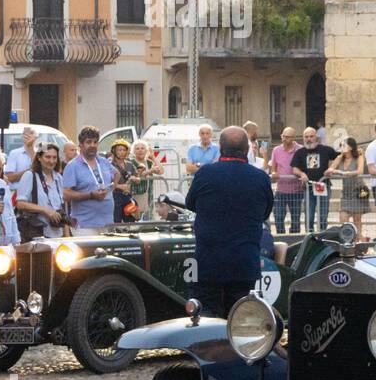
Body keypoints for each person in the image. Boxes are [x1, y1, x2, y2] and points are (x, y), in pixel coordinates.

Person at [185, 126, 274, 318]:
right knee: (239, 319)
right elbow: (265, 212)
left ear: (221, 148)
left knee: (205, 317)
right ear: (246, 150)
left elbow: (190, 203)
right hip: (244, 261)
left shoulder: (205, 174)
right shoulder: (260, 178)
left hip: (208, 260)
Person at [61, 127, 115, 236]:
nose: (93, 145)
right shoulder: (73, 166)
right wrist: (91, 195)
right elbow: (66, 194)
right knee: (89, 253)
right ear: (80, 145)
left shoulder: (103, 162)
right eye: (88, 142)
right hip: (84, 225)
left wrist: (111, 187)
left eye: (95, 142)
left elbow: (116, 174)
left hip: (107, 223)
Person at [291, 127, 340, 232]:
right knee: (309, 215)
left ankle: (322, 236)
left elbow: (340, 157)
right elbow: (294, 169)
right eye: (306, 137)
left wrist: (332, 168)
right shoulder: (300, 152)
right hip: (308, 188)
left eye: (311, 136)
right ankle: (309, 236)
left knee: (323, 215)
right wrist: (301, 173)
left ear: (316, 137)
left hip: (324, 186)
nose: (309, 139)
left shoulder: (326, 150)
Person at [15, 143, 66, 238]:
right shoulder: (30, 175)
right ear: (39, 157)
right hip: (37, 235)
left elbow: (62, 207)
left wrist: (67, 236)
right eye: (48, 157)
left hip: (58, 235)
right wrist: (45, 210)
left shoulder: (59, 178)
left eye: (54, 158)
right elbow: (20, 204)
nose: (51, 161)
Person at [329, 137, 368, 240]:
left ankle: (360, 244)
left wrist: (343, 173)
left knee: (357, 220)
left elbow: (360, 171)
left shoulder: (359, 156)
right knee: (343, 219)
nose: (341, 147)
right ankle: (350, 241)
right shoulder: (339, 158)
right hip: (346, 192)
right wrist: (332, 171)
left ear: (350, 147)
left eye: (344, 145)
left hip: (358, 190)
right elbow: (329, 170)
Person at [268, 127, 303, 234]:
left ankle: (295, 241)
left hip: (296, 191)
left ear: (293, 138)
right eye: (283, 136)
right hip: (281, 191)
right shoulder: (276, 150)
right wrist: (274, 174)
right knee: (278, 218)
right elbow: (273, 169)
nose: (284, 139)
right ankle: (281, 238)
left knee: (296, 221)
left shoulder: (300, 150)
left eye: (287, 137)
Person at [129, 140, 163, 218]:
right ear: (133, 151)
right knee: (136, 219)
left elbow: (161, 171)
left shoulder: (149, 162)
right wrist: (151, 171)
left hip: (149, 196)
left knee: (148, 221)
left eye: (142, 148)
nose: (140, 150)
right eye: (137, 148)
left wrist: (153, 157)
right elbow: (137, 175)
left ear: (146, 150)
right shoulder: (131, 162)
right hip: (136, 195)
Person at [0, 155, 21, 245]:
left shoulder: (2, 184)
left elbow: (11, 214)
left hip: (4, 249)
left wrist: (17, 242)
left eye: (0, 170)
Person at [109, 140, 138, 223]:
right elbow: (105, 183)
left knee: (131, 222)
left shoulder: (129, 164)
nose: (122, 152)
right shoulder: (109, 165)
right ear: (114, 151)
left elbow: (137, 178)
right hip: (115, 197)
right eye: (119, 150)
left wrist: (135, 179)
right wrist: (119, 186)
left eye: (124, 150)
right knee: (116, 222)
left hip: (127, 197)